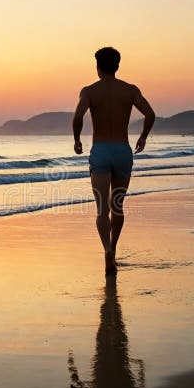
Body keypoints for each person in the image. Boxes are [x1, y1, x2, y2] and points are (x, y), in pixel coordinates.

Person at [72, 47, 156, 276]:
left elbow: (78, 117)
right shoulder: (130, 90)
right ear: (117, 66)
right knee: (117, 206)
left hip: (100, 151)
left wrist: (77, 140)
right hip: (122, 151)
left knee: (102, 211)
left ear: (98, 67)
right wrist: (143, 137)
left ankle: (107, 250)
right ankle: (114, 250)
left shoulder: (89, 91)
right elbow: (150, 114)